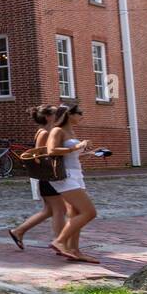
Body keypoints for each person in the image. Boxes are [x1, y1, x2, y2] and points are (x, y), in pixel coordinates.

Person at [8, 105, 67, 251]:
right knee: (60, 209)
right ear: (48, 117)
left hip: (48, 176)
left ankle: (18, 231)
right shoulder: (44, 133)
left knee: (49, 210)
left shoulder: (48, 131)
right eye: (54, 113)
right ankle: (61, 243)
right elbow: (37, 156)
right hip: (47, 176)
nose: (58, 115)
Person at [46, 104, 99, 263]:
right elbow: (51, 151)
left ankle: (74, 250)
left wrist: (87, 152)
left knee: (76, 213)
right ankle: (60, 241)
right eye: (80, 113)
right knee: (89, 212)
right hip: (64, 176)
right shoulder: (57, 131)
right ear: (69, 114)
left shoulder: (71, 131)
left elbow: (70, 155)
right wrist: (77, 146)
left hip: (76, 174)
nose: (82, 115)